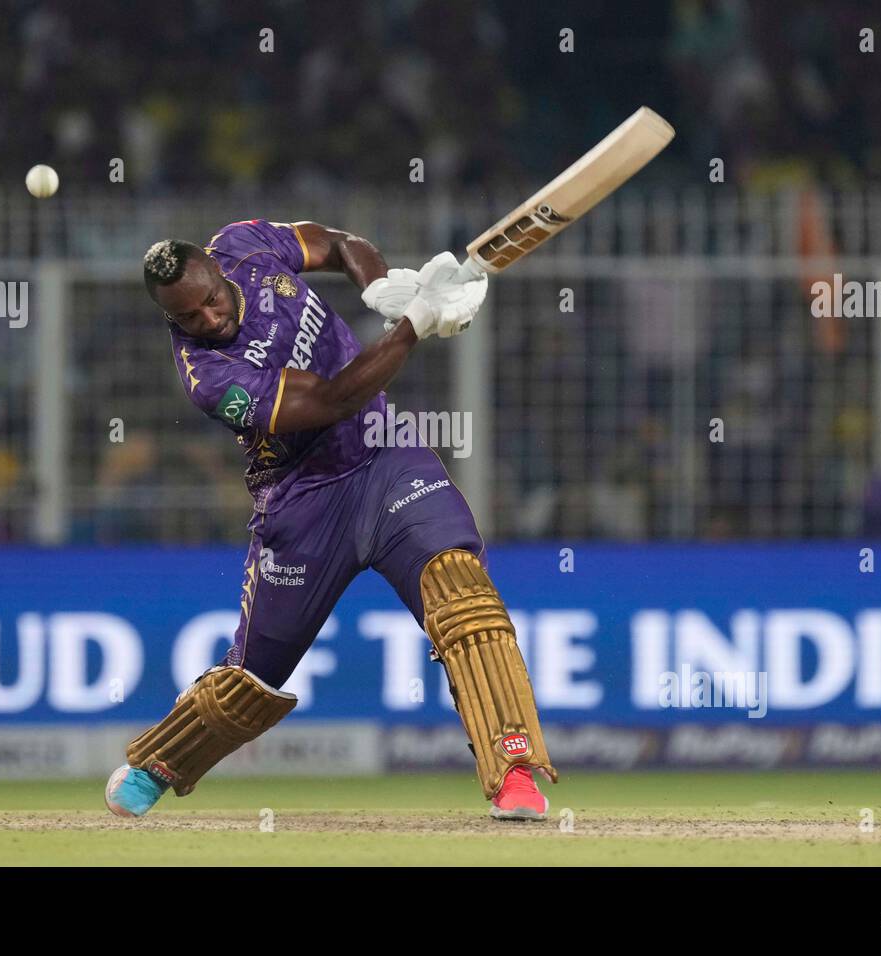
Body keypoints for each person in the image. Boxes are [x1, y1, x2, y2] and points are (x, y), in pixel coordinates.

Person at [104, 220, 557, 821]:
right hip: (303, 504)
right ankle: (160, 762)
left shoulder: (243, 244)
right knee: (253, 678)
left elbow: (339, 244)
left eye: (210, 300)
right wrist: (414, 324)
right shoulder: (210, 377)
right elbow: (331, 400)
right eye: (187, 318)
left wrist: (381, 288)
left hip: (387, 456)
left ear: (216, 269)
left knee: (464, 598)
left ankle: (514, 770)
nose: (207, 320)